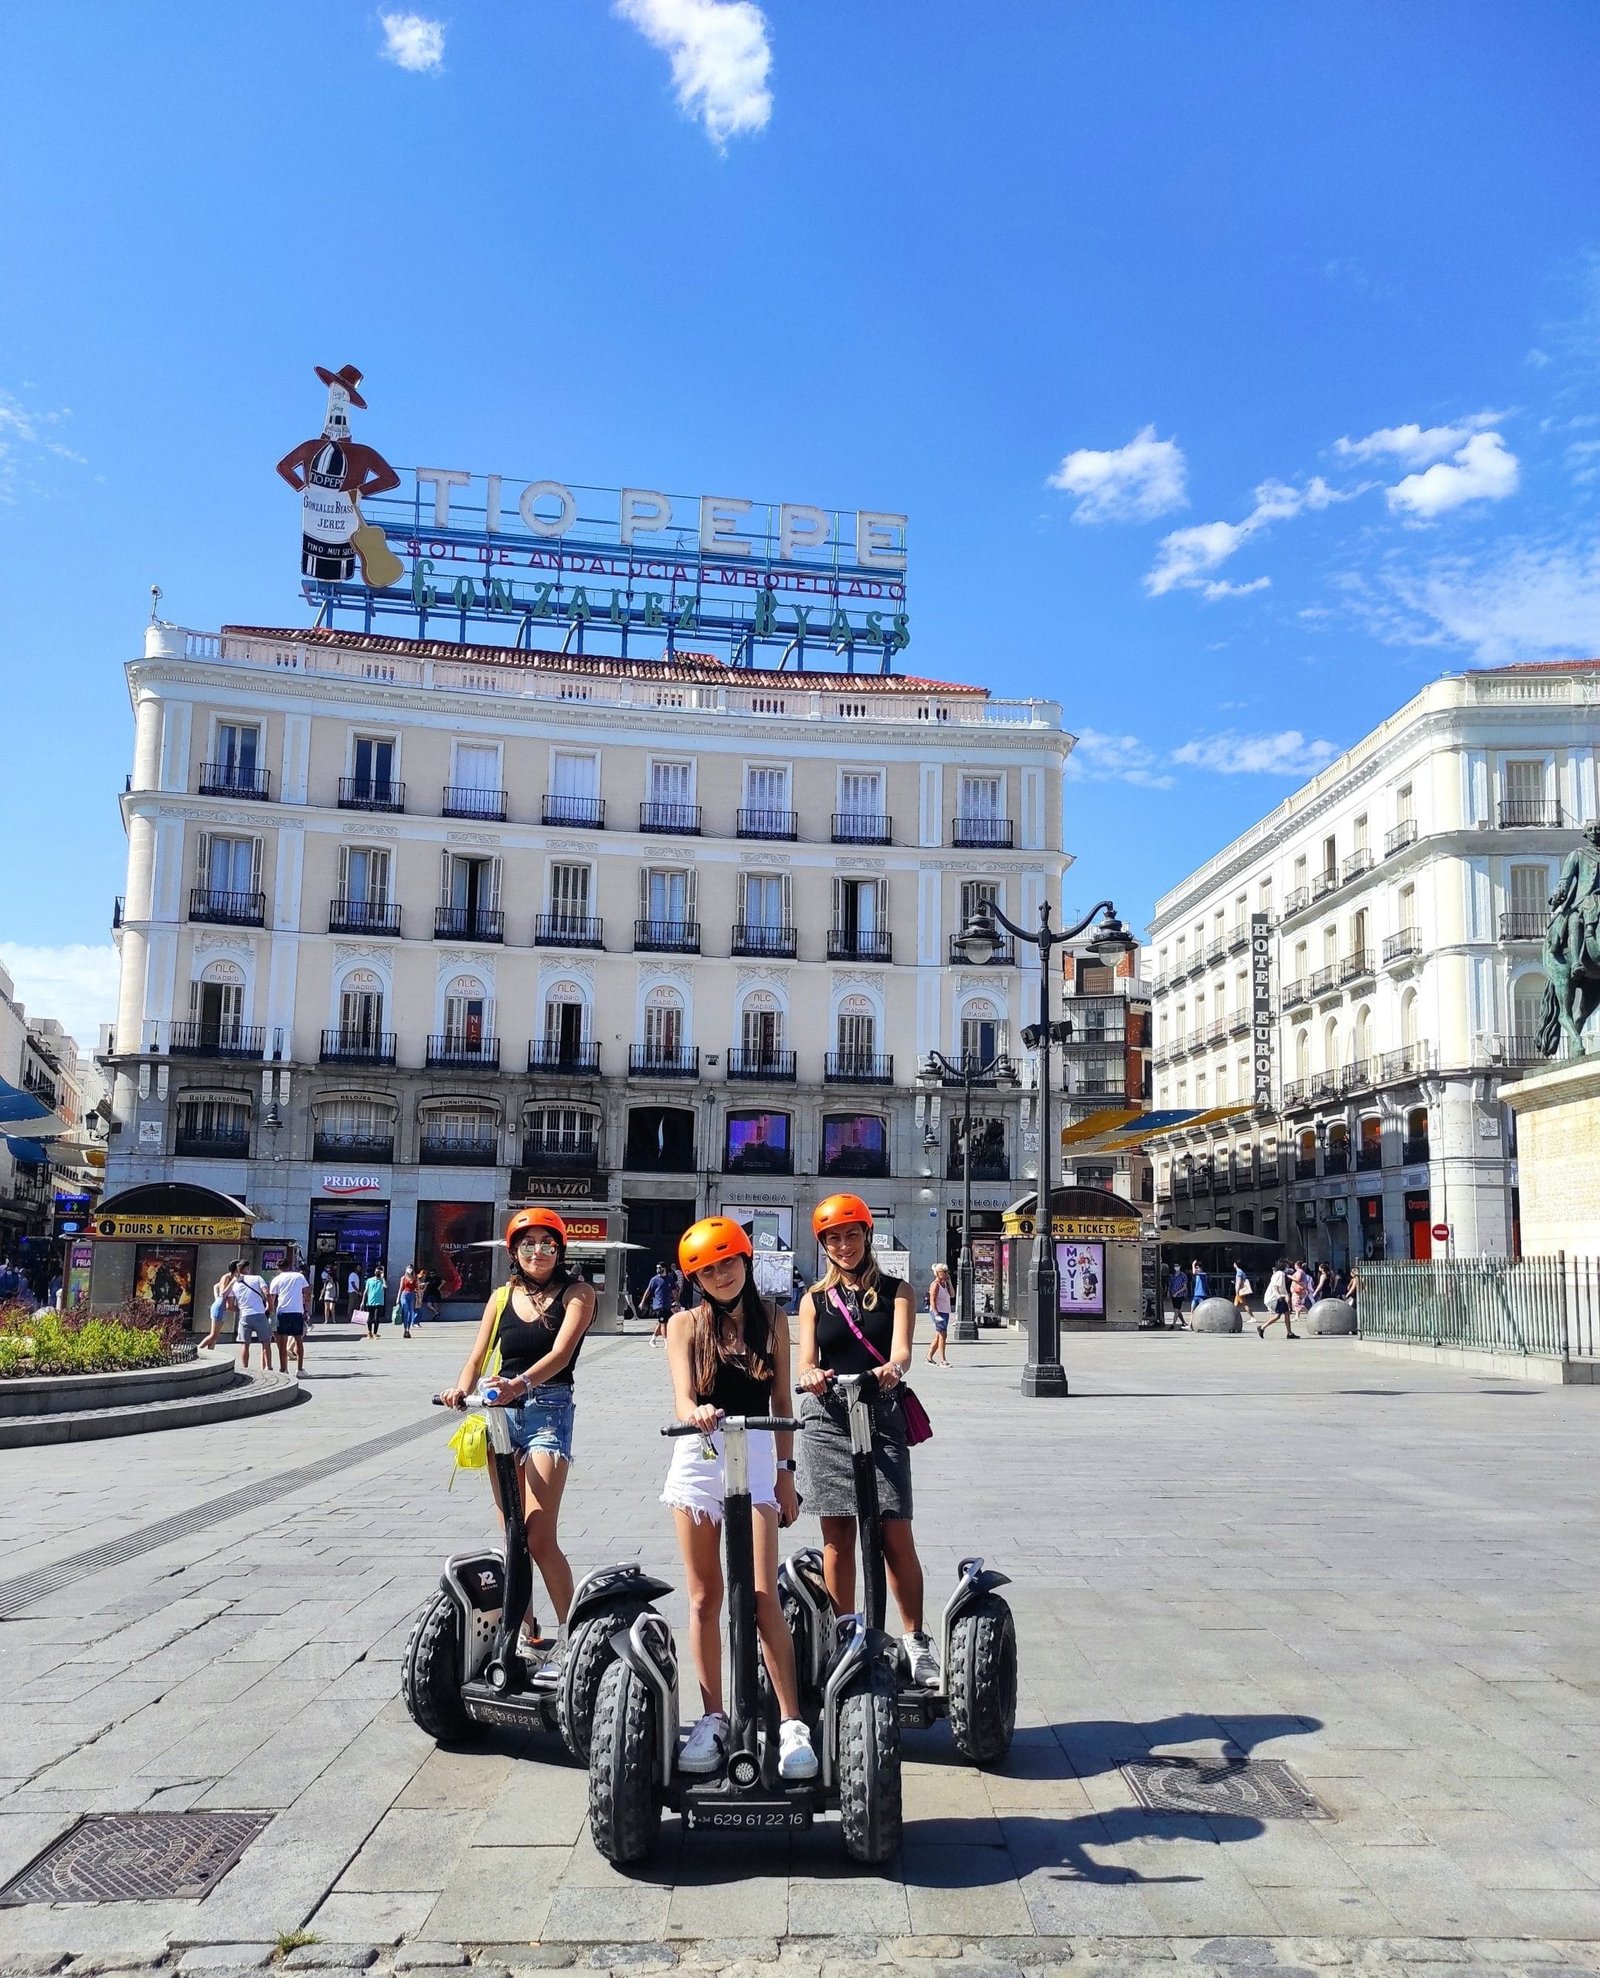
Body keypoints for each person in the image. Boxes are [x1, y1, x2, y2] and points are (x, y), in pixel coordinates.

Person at [661, 1216, 817, 1783]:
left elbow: (782, 1403)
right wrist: (695, 1411)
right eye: (707, 1268)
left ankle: (791, 1722)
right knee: (704, 1595)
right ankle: (712, 1716)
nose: (721, 1275)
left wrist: (785, 1472)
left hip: (754, 1455)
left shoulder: (772, 1319)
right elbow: (681, 1397)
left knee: (760, 1592)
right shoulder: (683, 1325)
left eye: (728, 1262)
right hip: (699, 1458)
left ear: (746, 1262)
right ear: (694, 1277)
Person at [796, 1193, 940, 1688]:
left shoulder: (900, 1290)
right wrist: (812, 1376)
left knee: (893, 1530)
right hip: (829, 1417)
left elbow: (902, 1349)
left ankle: (915, 1640)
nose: (843, 1246)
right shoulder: (813, 1299)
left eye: (851, 1235)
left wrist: (892, 1369)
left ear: (867, 1235)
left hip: (881, 1412)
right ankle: (845, 1635)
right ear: (823, 1245)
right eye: (833, 1239)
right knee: (837, 1537)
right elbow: (805, 1360)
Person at [443, 1209, 596, 1650]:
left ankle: (577, 1636)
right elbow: (476, 1357)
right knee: (512, 1532)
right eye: (528, 1244)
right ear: (514, 1252)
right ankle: (523, 1634)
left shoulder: (577, 1293)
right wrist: (460, 1388)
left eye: (547, 1244)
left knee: (539, 1534)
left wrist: (520, 1383)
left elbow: (563, 1354)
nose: (538, 1252)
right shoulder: (501, 1296)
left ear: (560, 1249)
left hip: (548, 1409)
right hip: (499, 1415)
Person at [268, 1251, 312, 1373]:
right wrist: (306, 1310)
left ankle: (284, 1369)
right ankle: (300, 1369)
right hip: (297, 1311)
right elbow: (307, 1293)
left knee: (283, 1341)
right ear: (290, 1266)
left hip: (282, 1311)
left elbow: (271, 1298)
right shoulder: (299, 1276)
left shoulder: (276, 1279)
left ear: (278, 1268)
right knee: (298, 1340)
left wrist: (270, 1310)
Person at [233, 1265, 273, 1370]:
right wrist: (270, 1307)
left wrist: (239, 1309)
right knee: (266, 1342)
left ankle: (245, 1368)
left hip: (244, 1315)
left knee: (245, 1344)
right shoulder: (257, 1278)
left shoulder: (234, 1284)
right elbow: (267, 1293)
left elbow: (229, 1305)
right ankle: (268, 1367)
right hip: (259, 1313)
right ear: (248, 1269)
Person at [200, 1262, 239, 1352]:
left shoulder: (232, 1278)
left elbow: (216, 1286)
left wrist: (216, 1297)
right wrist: (232, 1283)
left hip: (222, 1308)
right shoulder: (227, 1277)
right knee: (213, 1335)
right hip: (219, 1307)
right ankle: (198, 1350)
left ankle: (210, 1353)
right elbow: (223, 1293)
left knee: (215, 1336)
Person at [1258, 1262, 1297, 1338]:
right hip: (1277, 1298)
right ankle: (1262, 1328)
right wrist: (1279, 1296)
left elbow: (1281, 1287)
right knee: (1280, 1315)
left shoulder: (1277, 1274)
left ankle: (1289, 1332)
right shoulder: (1280, 1274)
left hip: (1278, 1297)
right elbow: (1276, 1286)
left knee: (1284, 1314)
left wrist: (1286, 1296)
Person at [926, 1263, 953, 1365]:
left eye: (947, 1272)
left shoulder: (945, 1284)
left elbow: (953, 1295)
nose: (946, 1274)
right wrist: (936, 1314)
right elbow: (932, 1300)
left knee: (938, 1336)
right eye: (944, 1272)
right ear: (938, 1273)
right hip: (938, 1312)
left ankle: (929, 1357)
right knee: (943, 1335)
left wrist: (949, 1283)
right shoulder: (935, 1284)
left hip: (945, 1311)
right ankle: (943, 1360)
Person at [643, 1259, 674, 1345]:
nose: (657, 1269)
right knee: (663, 1323)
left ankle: (653, 1339)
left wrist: (677, 1301)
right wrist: (642, 1302)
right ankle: (666, 1342)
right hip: (659, 1305)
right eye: (657, 1268)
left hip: (667, 1304)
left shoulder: (670, 1278)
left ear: (664, 1268)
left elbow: (674, 1290)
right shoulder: (654, 1279)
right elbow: (648, 1291)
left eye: (659, 1268)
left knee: (661, 1322)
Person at [363, 1263, 387, 1338]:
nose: (378, 1273)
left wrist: (383, 1278)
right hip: (370, 1301)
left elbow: (385, 1287)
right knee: (370, 1318)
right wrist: (362, 1301)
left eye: (379, 1272)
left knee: (376, 1318)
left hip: (379, 1302)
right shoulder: (369, 1280)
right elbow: (366, 1291)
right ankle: (369, 1332)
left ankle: (375, 1332)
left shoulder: (382, 1281)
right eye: (377, 1272)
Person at [394, 1264, 419, 1338]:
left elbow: (416, 1287)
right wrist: (397, 1298)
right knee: (405, 1311)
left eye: (411, 1268)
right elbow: (400, 1288)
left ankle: (408, 1329)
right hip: (404, 1294)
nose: (410, 1269)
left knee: (410, 1312)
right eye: (408, 1268)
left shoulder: (415, 1278)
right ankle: (405, 1329)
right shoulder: (403, 1278)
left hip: (412, 1295)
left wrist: (420, 1288)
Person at [1167, 1263, 1190, 1328]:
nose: (1176, 1267)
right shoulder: (1172, 1276)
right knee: (1177, 1310)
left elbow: (1184, 1286)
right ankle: (1183, 1322)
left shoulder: (1183, 1275)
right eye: (1175, 1266)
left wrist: (1177, 1293)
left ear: (1180, 1266)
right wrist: (1168, 1292)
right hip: (1173, 1294)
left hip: (1180, 1295)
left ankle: (1173, 1324)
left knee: (1176, 1310)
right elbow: (1170, 1285)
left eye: (1177, 1266)